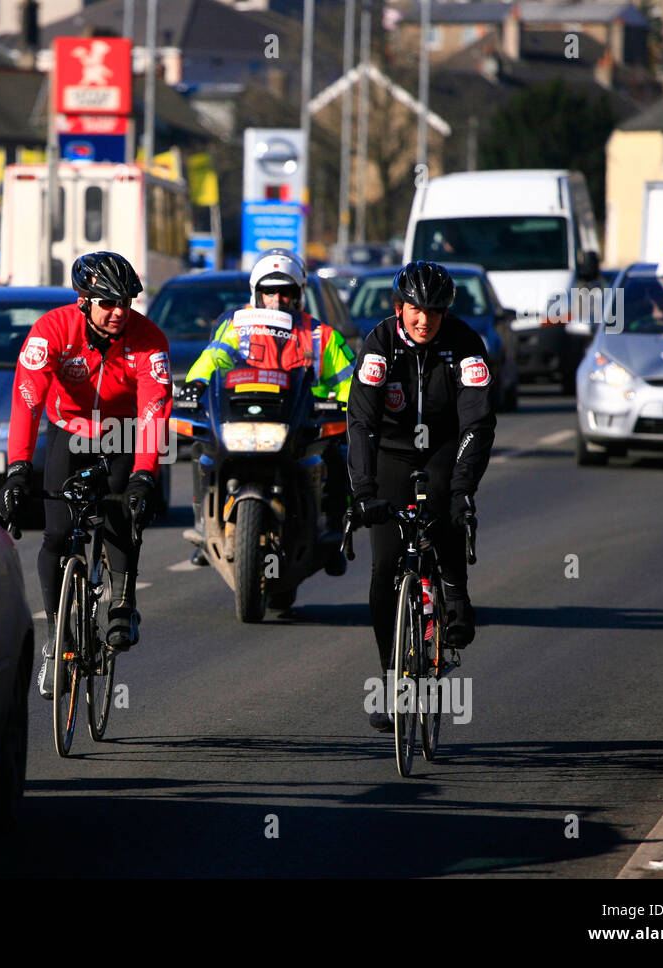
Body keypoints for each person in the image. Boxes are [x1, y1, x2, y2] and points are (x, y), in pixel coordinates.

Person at [0, 251, 172, 700]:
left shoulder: (149, 341)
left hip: (121, 432)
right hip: (68, 431)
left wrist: (144, 475)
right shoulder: (51, 331)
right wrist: (17, 469)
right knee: (56, 534)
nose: (118, 313)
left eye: (126, 303)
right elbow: (27, 400)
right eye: (107, 303)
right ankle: (58, 641)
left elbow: (154, 411)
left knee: (123, 508)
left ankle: (122, 600)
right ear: (83, 300)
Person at [346, 261, 496, 732]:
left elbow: (478, 422)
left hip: (444, 451)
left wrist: (462, 488)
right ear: (399, 309)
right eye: (415, 310)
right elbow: (361, 422)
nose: (424, 320)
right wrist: (364, 491)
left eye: (434, 311)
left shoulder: (467, 345)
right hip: (391, 455)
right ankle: (391, 680)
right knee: (384, 566)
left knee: (446, 517)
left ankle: (455, 595)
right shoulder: (379, 344)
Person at [179, 249, 358, 571]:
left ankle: (334, 534)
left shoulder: (321, 335)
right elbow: (211, 359)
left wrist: (341, 402)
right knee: (201, 450)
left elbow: (349, 381)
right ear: (256, 293)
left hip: (301, 421)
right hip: (241, 418)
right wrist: (195, 385)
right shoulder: (235, 326)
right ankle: (205, 529)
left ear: (299, 294)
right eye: (269, 291)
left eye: (286, 291)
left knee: (337, 452)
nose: (277, 299)